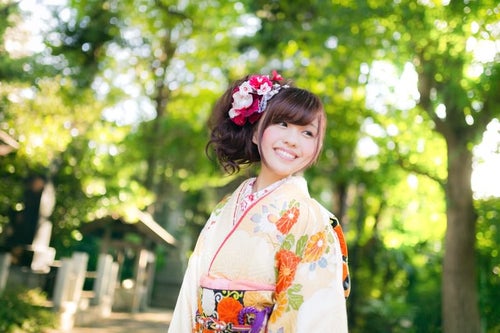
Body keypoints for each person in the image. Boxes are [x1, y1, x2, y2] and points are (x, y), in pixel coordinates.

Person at [168, 71, 350, 333]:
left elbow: (315, 316)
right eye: (283, 124)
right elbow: (190, 294)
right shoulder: (224, 209)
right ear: (255, 133)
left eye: (308, 133)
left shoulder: (313, 220)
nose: (292, 139)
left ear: (316, 150)